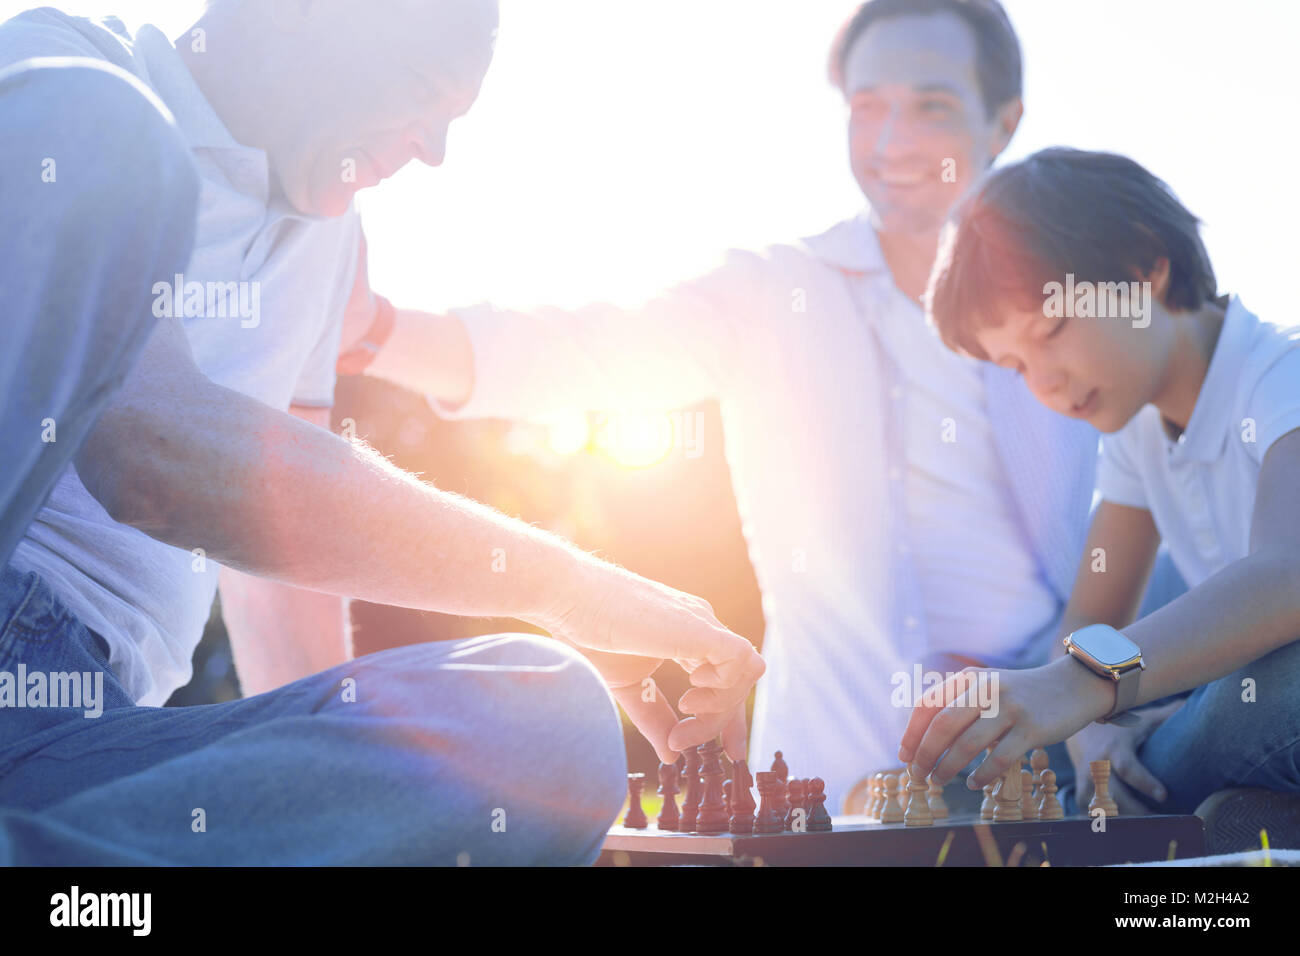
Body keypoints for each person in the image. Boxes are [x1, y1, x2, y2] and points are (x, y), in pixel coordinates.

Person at [0, 0, 762, 865]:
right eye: (422, 90)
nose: (433, 152)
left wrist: (345, 814)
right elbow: (159, 456)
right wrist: (565, 588)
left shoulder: (328, 242)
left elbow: (281, 567)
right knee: (98, 116)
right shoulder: (63, 79)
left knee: (547, 717)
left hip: (80, 744)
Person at [349, 0, 1156, 808]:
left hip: (1042, 782)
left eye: (932, 106)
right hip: (832, 789)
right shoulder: (777, 294)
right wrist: (375, 332)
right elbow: (584, 348)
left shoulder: (1079, 313)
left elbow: (1151, 510)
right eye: (867, 107)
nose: (891, 141)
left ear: (1004, 121)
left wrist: (1099, 701)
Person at [905, 147, 1300, 831]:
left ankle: (1115, 818)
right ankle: (1211, 813)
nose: (1045, 382)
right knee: (985, 705)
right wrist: (1089, 725)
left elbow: (1288, 575)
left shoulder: (1281, 372)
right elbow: (1087, 624)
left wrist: (1084, 684)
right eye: (1016, 365)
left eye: (1052, 330)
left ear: (1144, 268)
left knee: (1263, 690)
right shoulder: (1138, 428)